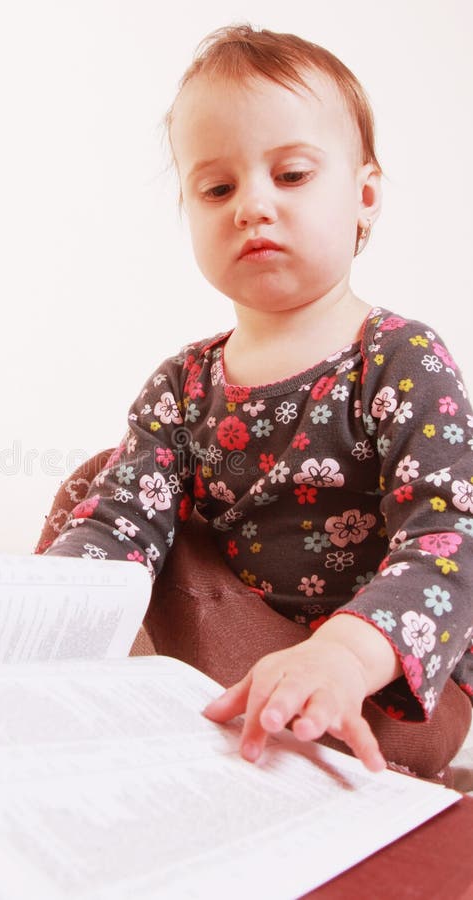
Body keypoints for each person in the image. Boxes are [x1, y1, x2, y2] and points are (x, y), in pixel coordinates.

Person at [40, 24, 473, 777]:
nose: (252, 206)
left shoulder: (399, 359)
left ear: (365, 197)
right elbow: (117, 523)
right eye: (218, 189)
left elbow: (451, 534)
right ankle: (36, 636)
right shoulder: (182, 385)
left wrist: (345, 655)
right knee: (104, 484)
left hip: (376, 692)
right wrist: (40, 609)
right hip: (243, 657)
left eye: (292, 174)